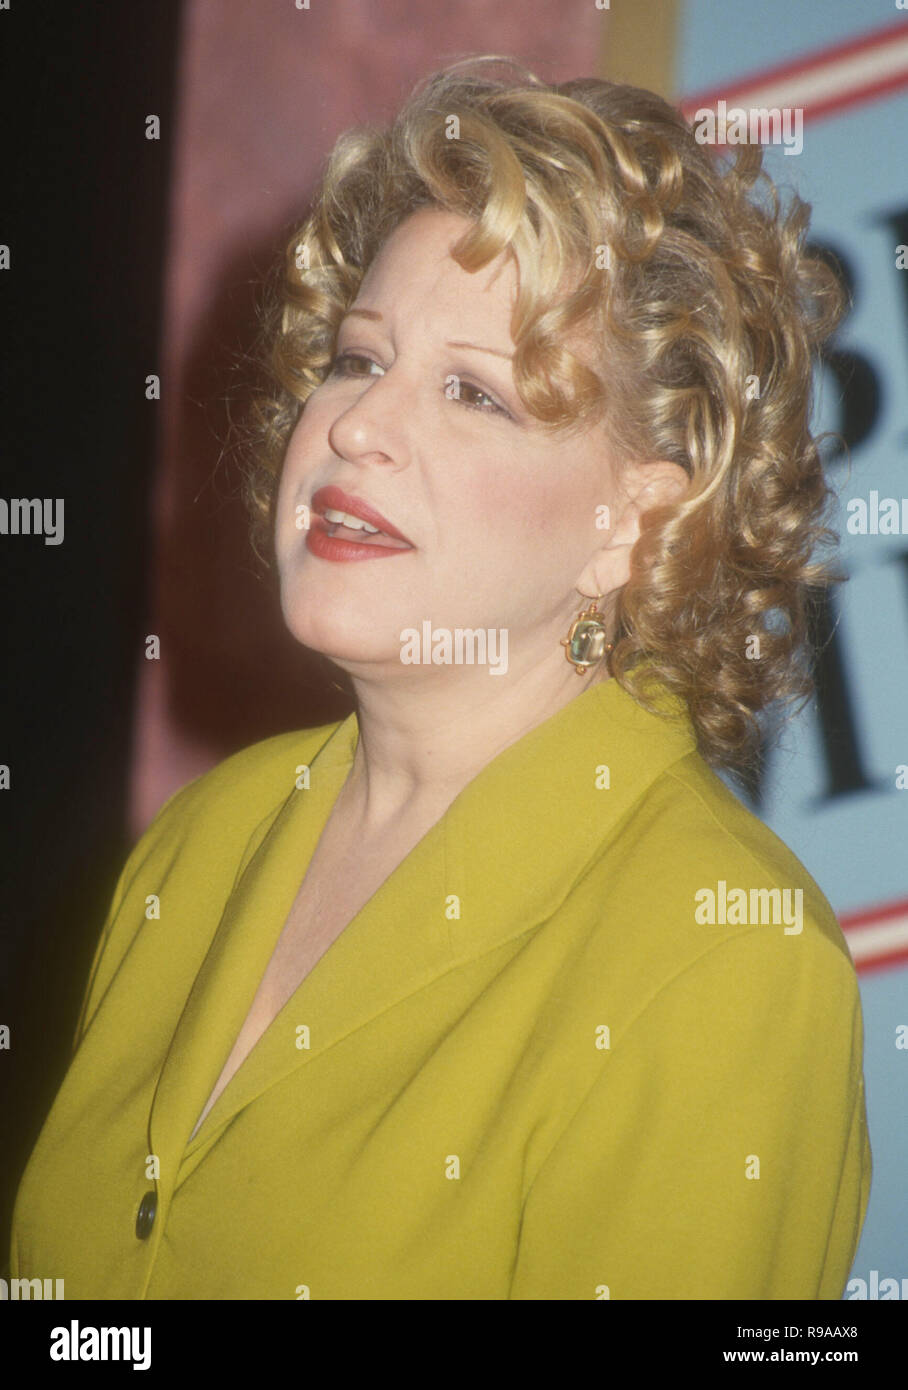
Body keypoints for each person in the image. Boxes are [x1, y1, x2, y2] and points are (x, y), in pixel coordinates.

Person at [10, 55, 870, 1300]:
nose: (354, 425)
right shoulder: (201, 839)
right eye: (358, 360)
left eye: (473, 392)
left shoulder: (725, 958)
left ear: (630, 525)